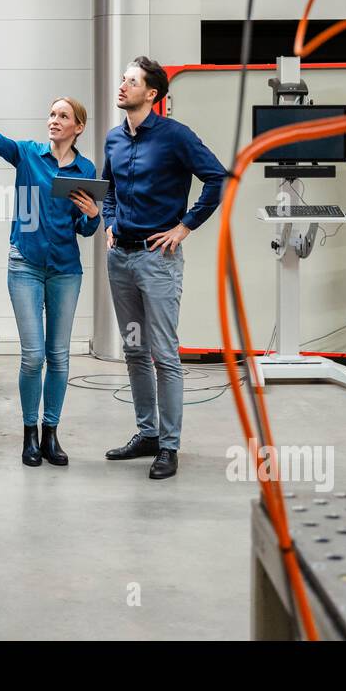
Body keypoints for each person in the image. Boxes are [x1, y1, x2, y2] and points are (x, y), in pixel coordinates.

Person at [0, 68, 100, 468]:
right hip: (26, 266)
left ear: (78, 127)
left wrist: (93, 214)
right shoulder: (29, 154)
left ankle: (52, 434)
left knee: (59, 356)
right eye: (51, 114)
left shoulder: (85, 172)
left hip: (66, 271)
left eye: (63, 116)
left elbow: (84, 229)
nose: (54, 120)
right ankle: (29, 434)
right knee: (33, 356)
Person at [101, 56, 227, 480]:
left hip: (158, 261)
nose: (122, 86)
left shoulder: (176, 137)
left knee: (164, 355)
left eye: (130, 81)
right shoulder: (114, 139)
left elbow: (217, 179)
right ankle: (147, 434)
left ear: (151, 94)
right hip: (121, 259)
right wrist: (108, 223)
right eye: (122, 79)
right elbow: (109, 189)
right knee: (135, 350)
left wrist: (185, 227)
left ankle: (170, 446)